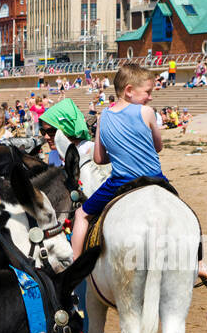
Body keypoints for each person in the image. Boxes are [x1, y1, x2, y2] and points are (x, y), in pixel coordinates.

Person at [70, 62, 167, 260]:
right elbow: (158, 147)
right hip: (155, 179)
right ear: (129, 90)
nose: (150, 97)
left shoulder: (103, 116)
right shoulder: (147, 112)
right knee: (183, 211)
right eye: (148, 92)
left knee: (81, 214)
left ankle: (75, 263)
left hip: (121, 182)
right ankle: (199, 262)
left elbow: (98, 158)